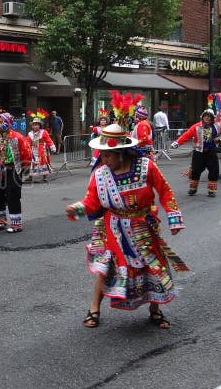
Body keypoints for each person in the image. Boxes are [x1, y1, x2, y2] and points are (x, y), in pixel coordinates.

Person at [65, 123, 185, 329]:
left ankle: (155, 310)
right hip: (113, 229)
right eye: (102, 155)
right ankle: (94, 308)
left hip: (143, 226)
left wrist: (174, 216)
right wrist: (76, 208)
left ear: (121, 153)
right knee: (107, 268)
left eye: (108, 155)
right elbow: (92, 201)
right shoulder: (101, 174)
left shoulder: (146, 166)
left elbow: (164, 190)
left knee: (153, 265)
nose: (104, 160)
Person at [171, 108, 221, 197]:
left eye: (209, 116)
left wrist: (218, 139)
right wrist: (176, 143)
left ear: (212, 118)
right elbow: (186, 136)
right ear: (202, 117)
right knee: (195, 171)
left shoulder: (218, 126)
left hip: (211, 152)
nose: (207, 118)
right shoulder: (196, 127)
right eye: (205, 116)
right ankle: (193, 189)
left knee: (214, 171)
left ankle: (211, 191)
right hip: (198, 152)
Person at [27, 117, 55, 182]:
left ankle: (44, 177)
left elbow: (48, 140)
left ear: (39, 125)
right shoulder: (30, 134)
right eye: (34, 125)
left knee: (43, 162)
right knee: (32, 162)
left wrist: (52, 147)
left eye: (36, 124)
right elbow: (27, 142)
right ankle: (30, 177)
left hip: (41, 150)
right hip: (33, 149)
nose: (35, 126)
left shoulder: (44, 132)